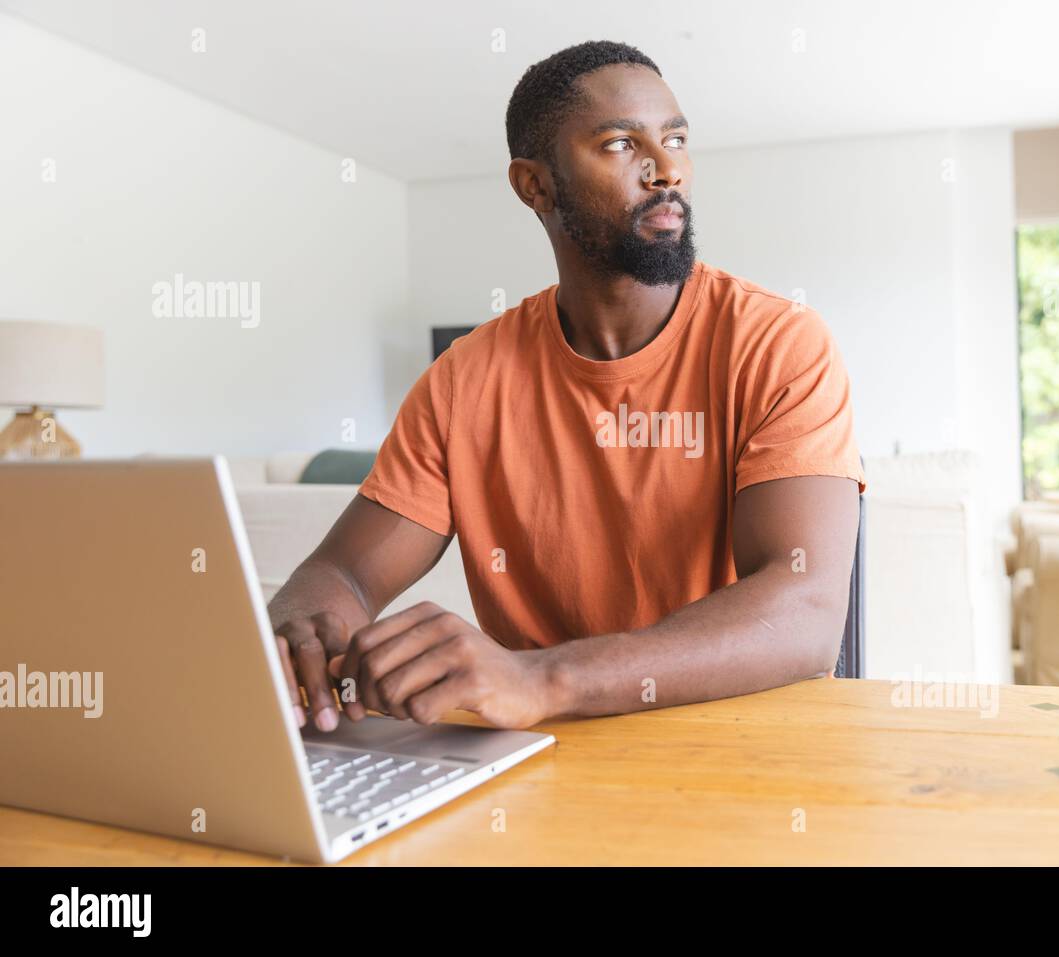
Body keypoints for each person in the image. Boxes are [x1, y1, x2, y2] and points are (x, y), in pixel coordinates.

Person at [269, 39, 866, 732]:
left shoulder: (778, 342)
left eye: (675, 139)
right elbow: (342, 577)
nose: (666, 168)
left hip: (740, 747)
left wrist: (539, 676)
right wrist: (302, 635)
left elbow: (806, 608)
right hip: (545, 763)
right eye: (620, 143)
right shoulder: (462, 381)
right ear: (535, 185)